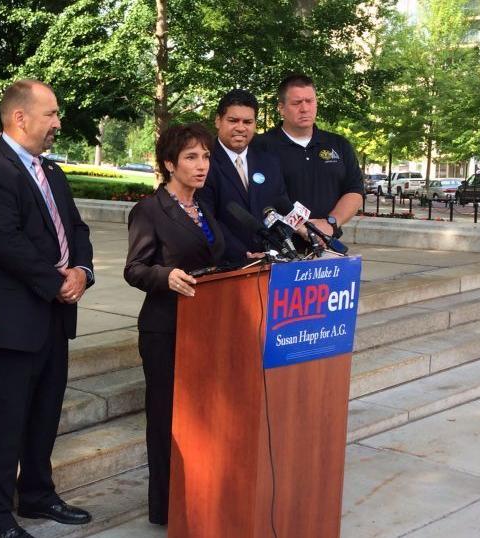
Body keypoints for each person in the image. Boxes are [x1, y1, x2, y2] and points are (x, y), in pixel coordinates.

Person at [0, 79, 95, 538]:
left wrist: (82, 270)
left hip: (55, 317)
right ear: (20, 118)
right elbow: (5, 243)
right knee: (5, 421)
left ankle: (37, 495)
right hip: (12, 321)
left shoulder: (52, 172)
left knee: (45, 411)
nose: (58, 122)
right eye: (51, 114)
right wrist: (56, 281)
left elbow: (76, 228)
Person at [124, 123, 225, 526]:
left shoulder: (206, 209)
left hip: (207, 327)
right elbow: (135, 269)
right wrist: (164, 276)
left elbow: (218, 255)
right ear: (169, 163)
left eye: (205, 157)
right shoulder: (149, 210)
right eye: (191, 157)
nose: (201, 166)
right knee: (166, 417)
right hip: (165, 329)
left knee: (202, 416)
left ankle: (200, 493)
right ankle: (165, 506)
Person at [255, 73, 364, 241]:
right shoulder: (260, 146)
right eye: (297, 103)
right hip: (276, 248)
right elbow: (259, 196)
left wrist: (330, 224)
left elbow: (355, 190)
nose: (304, 108)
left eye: (310, 101)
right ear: (281, 108)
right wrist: (302, 228)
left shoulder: (338, 144)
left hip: (327, 245)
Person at [199, 88, 289, 261]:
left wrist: (273, 250)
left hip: (268, 261)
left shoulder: (269, 162)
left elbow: (280, 207)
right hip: (223, 264)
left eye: (247, 122)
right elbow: (206, 219)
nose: (240, 128)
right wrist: (243, 254)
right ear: (218, 121)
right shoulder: (203, 161)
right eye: (233, 120)